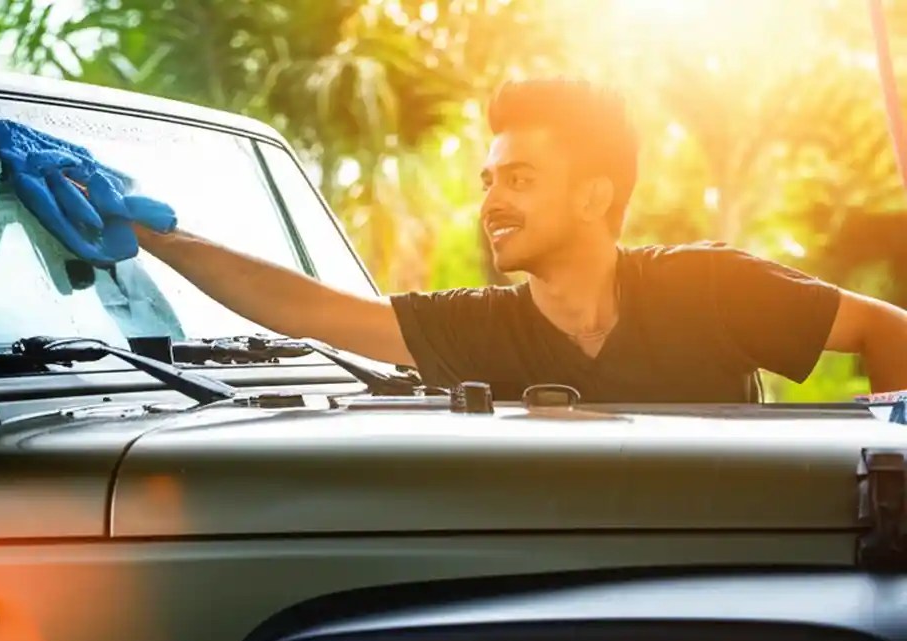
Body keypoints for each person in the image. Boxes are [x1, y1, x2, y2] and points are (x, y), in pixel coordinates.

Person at [131, 78, 907, 402]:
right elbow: (310, 311)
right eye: (488, 181)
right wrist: (155, 234)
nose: (492, 201)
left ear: (596, 195)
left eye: (521, 180)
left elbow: (886, 327)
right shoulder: (479, 327)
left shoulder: (710, 286)